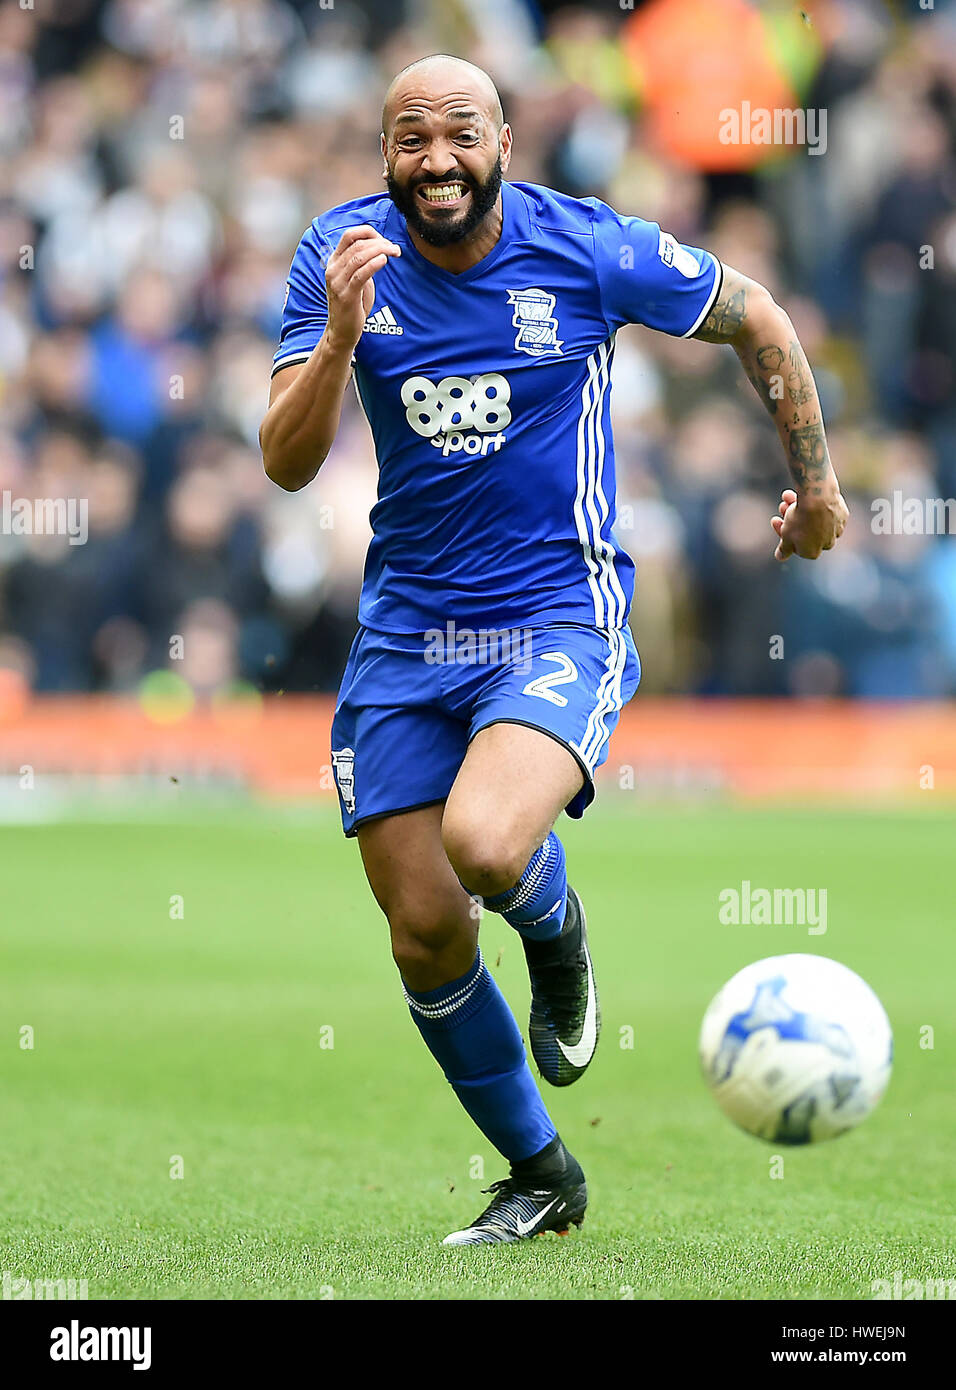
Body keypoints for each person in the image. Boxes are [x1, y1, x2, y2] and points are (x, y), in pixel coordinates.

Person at [259, 54, 848, 1245]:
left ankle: (554, 927)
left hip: (552, 612)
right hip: (403, 630)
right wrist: (336, 339)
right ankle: (540, 1172)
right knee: (421, 926)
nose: (437, 161)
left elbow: (757, 315)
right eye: (411, 139)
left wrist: (818, 486)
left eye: (460, 135)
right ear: (384, 153)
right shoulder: (340, 253)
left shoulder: (583, 246)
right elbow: (283, 459)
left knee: (484, 843)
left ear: (504, 143)